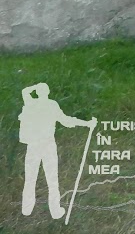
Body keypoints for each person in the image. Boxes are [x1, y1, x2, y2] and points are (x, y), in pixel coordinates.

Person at [18, 83, 94, 220]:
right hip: (48, 145)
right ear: (47, 92)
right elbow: (66, 120)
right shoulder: (52, 105)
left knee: (30, 178)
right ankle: (55, 211)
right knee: (52, 179)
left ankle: (27, 209)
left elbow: (25, 91)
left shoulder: (31, 103)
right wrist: (86, 123)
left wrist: (34, 87)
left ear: (38, 92)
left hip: (33, 145)